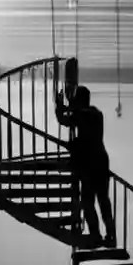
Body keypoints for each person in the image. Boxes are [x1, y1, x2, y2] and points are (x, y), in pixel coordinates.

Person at [56, 84, 115, 248]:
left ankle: (96, 234)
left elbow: (63, 119)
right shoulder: (96, 113)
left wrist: (59, 106)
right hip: (101, 162)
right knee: (103, 201)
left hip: (90, 165)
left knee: (88, 202)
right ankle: (110, 235)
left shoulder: (82, 115)